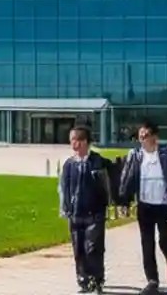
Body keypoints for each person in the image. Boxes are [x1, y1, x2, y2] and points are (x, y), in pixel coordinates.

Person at [117, 120, 167, 295]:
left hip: (164, 205)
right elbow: (127, 178)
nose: (143, 140)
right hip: (145, 206)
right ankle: (152, 280)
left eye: (146, 136)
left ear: (155, 136)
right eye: (140, 137)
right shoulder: (136, 155)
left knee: (166, 242)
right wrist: (124, 201)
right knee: (147, 243)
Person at [58, 125, 114, 294]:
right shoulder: (69, 164)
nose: (73, 144)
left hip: (94, 213)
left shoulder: (98, 162)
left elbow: (107, 185)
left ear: (85, 142)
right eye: (71, 141)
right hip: (75, 213)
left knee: (94, 248)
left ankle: (97, 279)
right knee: (79, 248)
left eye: (76, 140)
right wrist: (65, 207)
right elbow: (63, 187)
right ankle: (83, 279)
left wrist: (109, 205)